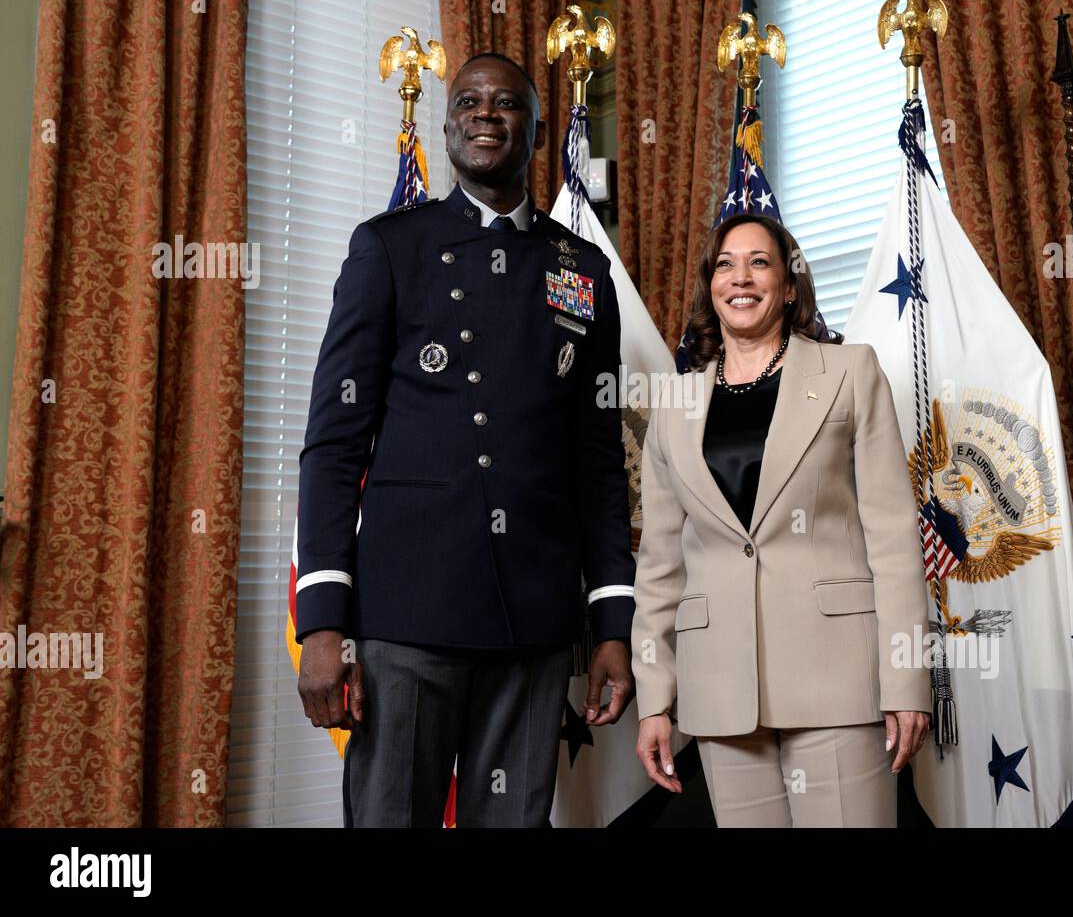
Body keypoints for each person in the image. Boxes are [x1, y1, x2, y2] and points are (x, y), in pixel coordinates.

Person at [294, 52, 635, 827]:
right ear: (448, 127)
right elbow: (334, 444)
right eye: (471, 102)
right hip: (409, 612)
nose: (487, 113)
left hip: (535, 621)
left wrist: (611, 623)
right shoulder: (388, 247)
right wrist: (323, 624)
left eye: (508, 102)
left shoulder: (581, 270)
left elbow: (597, 461)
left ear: (537, 128)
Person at [631, 213, 931, 827]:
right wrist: (654, 700)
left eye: (760, 262)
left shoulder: (850, 373)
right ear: (709, 286)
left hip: (837, 683)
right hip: (720, 691)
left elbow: (895, 541)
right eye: (724, 264)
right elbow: (660, 567)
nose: (740, 277)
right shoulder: (673, 405)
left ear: (790, 286)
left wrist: (905, 680)